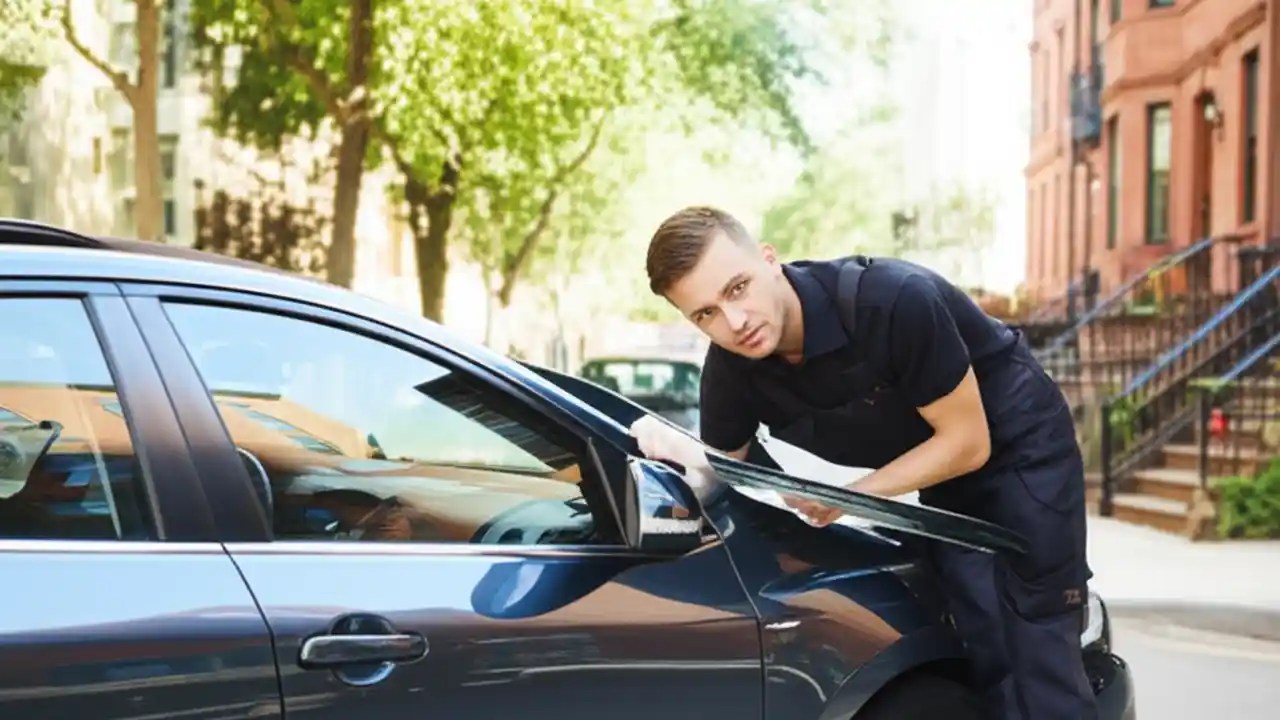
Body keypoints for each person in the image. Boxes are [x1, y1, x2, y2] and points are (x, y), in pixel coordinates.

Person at [630, 206, 1096, 720]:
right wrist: (668, 448)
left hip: (1017, 448)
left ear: (769, 260)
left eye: (737, 288)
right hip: (935, 468)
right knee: (982, 633)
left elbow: (968, 443)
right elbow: (722, 471)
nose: (733, 322)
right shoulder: (731, 371)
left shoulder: (892, 300)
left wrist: (848, 497)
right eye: (705, 314)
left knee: (1038, 640)